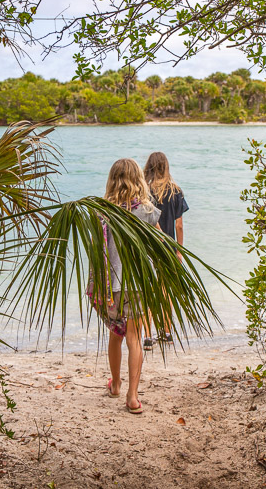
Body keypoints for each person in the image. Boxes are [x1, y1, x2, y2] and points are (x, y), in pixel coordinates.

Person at [97, 158, 161, 414]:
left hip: (111, 284)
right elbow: (159, 243)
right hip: (137, 283)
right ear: (139, 179)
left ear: (112, 180)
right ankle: (132, 397)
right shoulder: (146, 210)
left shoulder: (102, 211)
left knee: (115, 335)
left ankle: (115, 385)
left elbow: (95, 249)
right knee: (134, 339)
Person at [142, 151, 189, 349]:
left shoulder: (144, 191)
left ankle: (146, 335)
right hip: (169, 247)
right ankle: (167, 332)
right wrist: (179, 249)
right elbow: (179, 224)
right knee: (165, 289)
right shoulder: (175, 190)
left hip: (147, 247)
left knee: (148, 290)